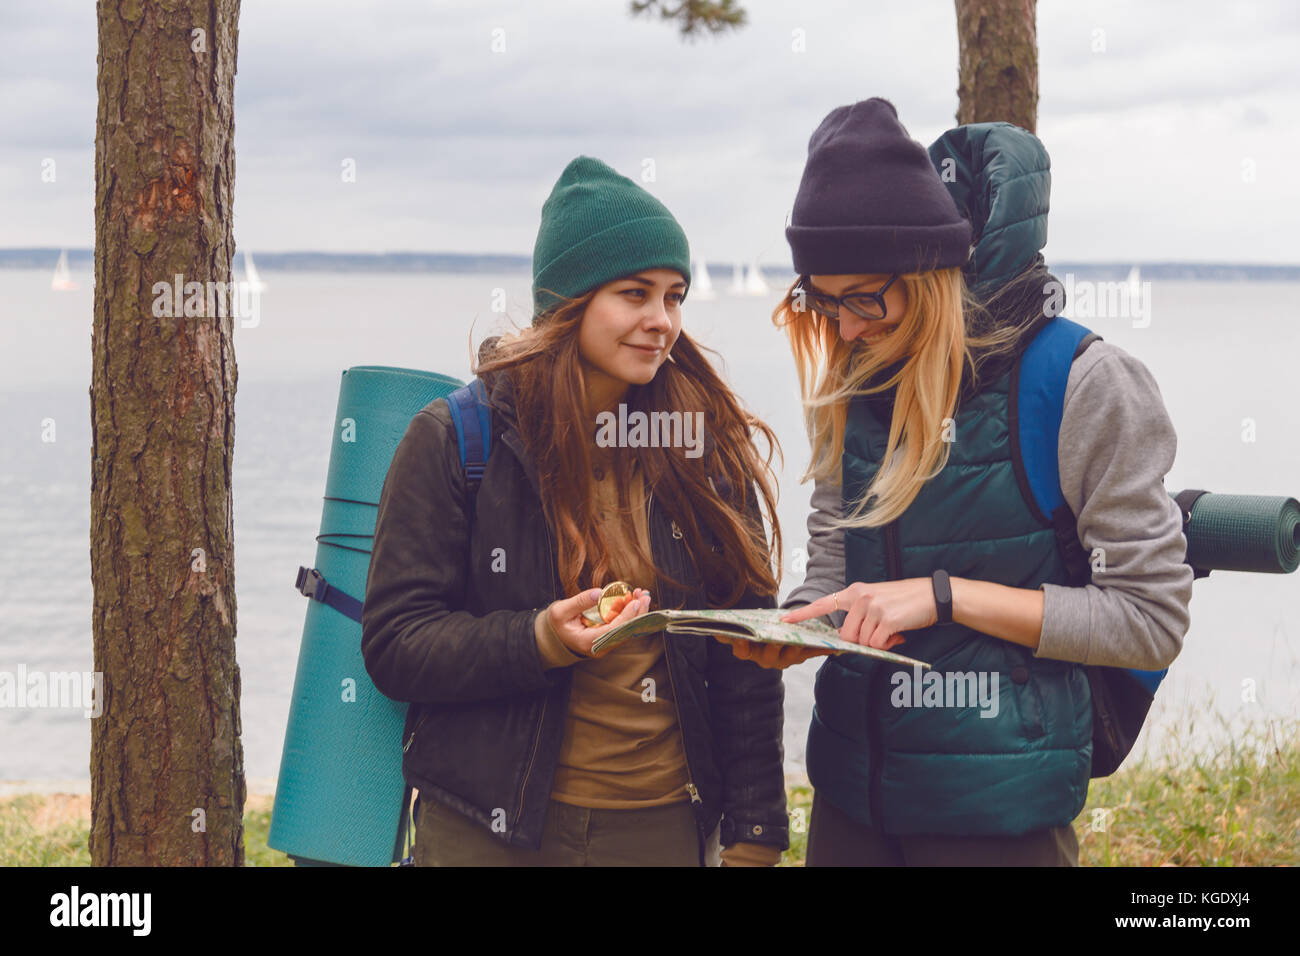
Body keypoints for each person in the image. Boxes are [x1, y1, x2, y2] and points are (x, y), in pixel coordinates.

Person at [725, 97, 1193, 865]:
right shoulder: (853, 379)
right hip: (850, 800)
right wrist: (802, 625)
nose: (842, 330)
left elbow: (1149, 620)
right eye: (822, 299)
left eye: (865, 299)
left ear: (930, 275)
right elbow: (837, 565)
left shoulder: (1084, 383)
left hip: (1001, 817)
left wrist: (946, 596)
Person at [361, 155, 790, 866]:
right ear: (570, 301)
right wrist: (538, 640)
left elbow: (743, 658)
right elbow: (397, 644)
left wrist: (755, 830)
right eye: (635, 293)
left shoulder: (702, 452)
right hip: (487, 834)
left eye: (675, 296)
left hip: (660, 831)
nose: (662, 321)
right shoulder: (459, 439)